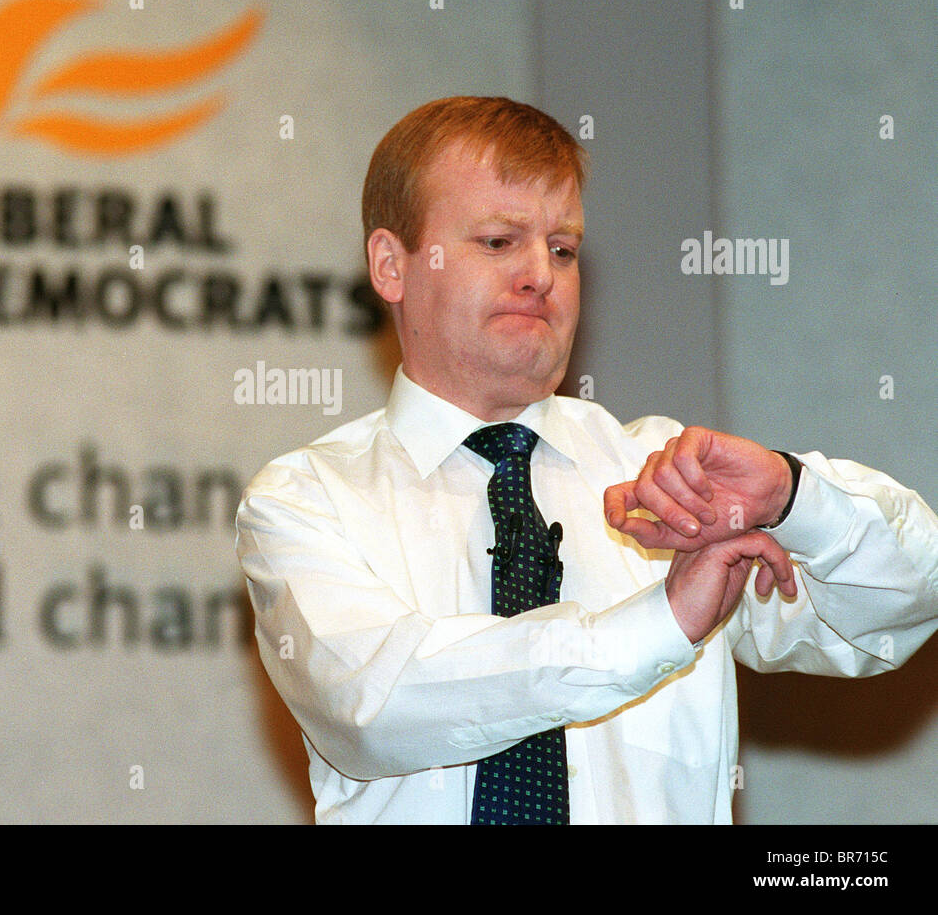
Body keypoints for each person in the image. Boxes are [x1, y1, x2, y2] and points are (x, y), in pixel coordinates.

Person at [233, 95, 938, 824]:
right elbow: (374, 704)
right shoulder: (306, 499)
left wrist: (792, 496)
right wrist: (657, 625)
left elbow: (903, 600)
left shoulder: (665, 479)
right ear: (391, 263)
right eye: (500, 240)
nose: (540, 272)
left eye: (563, 248)